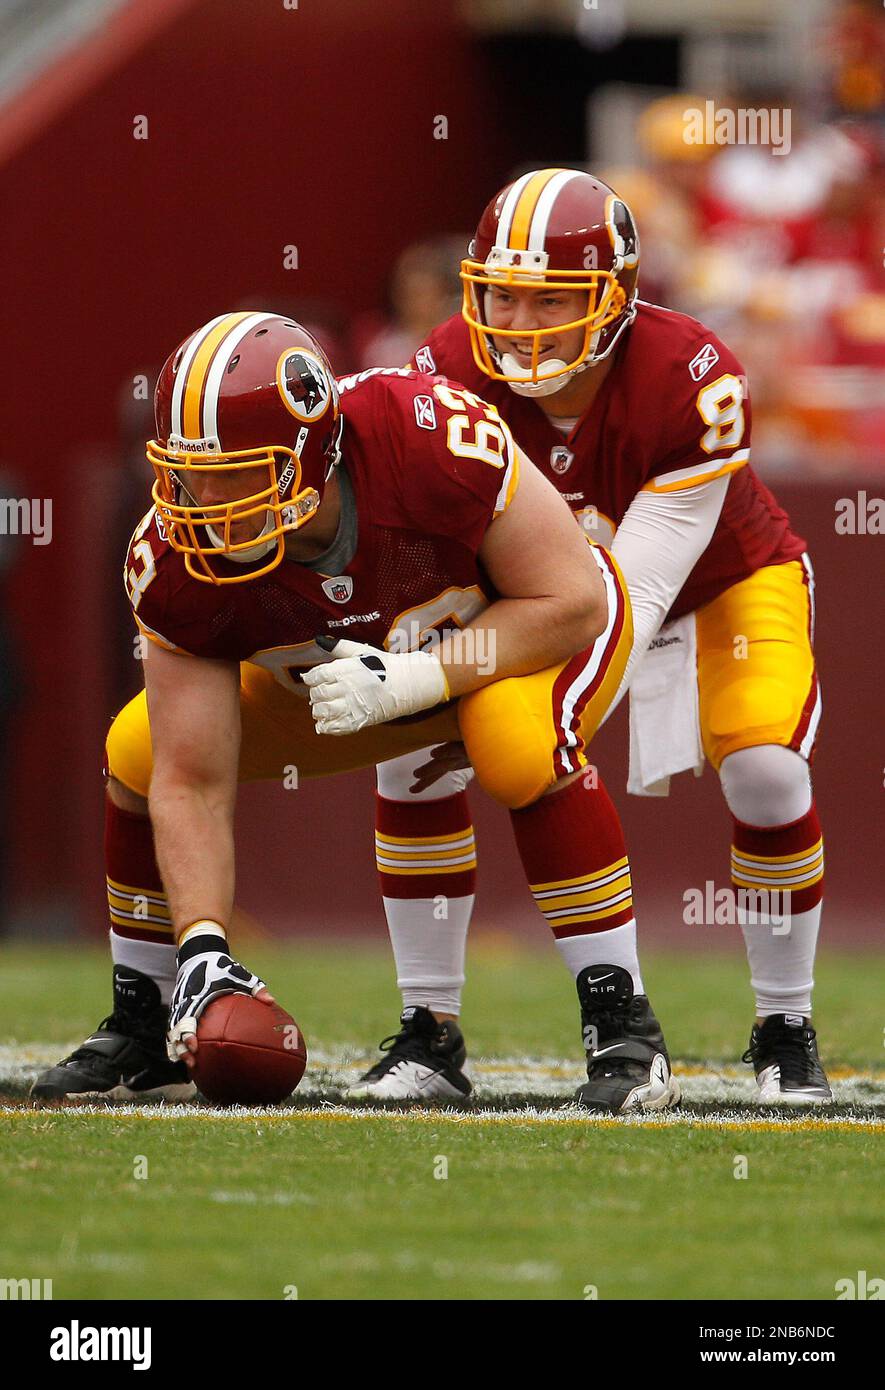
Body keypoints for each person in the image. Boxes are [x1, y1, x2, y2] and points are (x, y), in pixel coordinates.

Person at [32, 310, 679, 1114]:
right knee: (136, 751)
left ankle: (621, 1025)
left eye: (235, 472)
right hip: (355, 668)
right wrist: (203, 939)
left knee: (515, 746)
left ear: (310, 450)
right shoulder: (174, 563)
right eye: (188, 474)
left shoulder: (428, 441)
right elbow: (191, 779)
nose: (204, 500)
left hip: (511, 637)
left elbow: (572, 600)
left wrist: (415, 681)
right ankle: (149, 1016)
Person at [355, 169, 830, 1106]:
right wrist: (433, 671)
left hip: (714, 582)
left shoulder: (689, 378)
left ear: (614, 299)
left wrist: (542, 716)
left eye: (551, 297)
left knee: (766, 770)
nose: (521, 318)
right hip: (547, 592)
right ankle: (428, 1033)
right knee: (413, 758)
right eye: (502, 293)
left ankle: (785, 1025)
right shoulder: (443, 368)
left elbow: (635, 593)